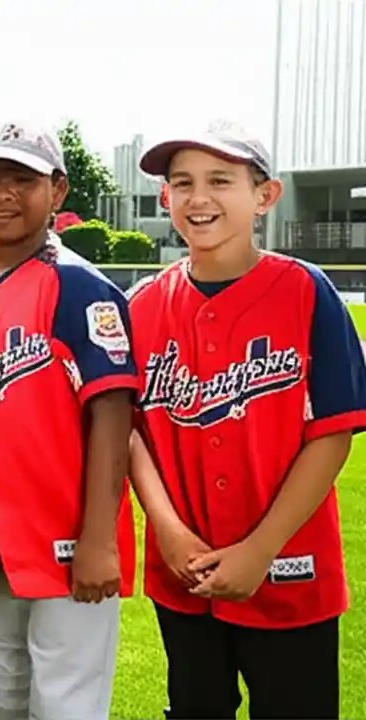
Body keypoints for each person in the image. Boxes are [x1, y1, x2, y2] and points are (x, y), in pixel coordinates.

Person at [129, 121, 366, 719]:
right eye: (182, 183)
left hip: (289, 567)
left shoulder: (307, 291)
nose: (199, 198)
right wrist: (169, 532)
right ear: (166, 199)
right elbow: (131, 432)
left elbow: (333, 430)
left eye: (220, 181)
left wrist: (261, 548)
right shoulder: (143, 306)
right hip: (185, 568)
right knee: (195, 705)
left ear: (265, 195)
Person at [0, 123, 139, 720]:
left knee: (67, 704)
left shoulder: (77, 284)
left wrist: (98, 541)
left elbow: (112, 411)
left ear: (57, 190)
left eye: (21, 179)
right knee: (9, 698)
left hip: (66, 535)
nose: (0, 193)